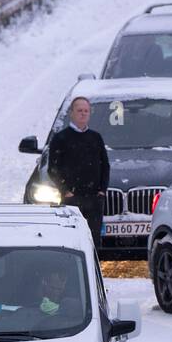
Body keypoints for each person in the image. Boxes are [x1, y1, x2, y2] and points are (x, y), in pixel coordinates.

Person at [44, 97, 110, 247]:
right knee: (72, 242)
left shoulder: (95, 138)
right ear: (72, 113)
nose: (83, 114)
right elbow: (52, 169)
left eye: (86, 111)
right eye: (79, 110)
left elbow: (105, 166)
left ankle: (93, 270)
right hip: (72, 200)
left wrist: (102, 191)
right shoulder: (60, 138)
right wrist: (66, 191)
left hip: (94, 200)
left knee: (93, 243)